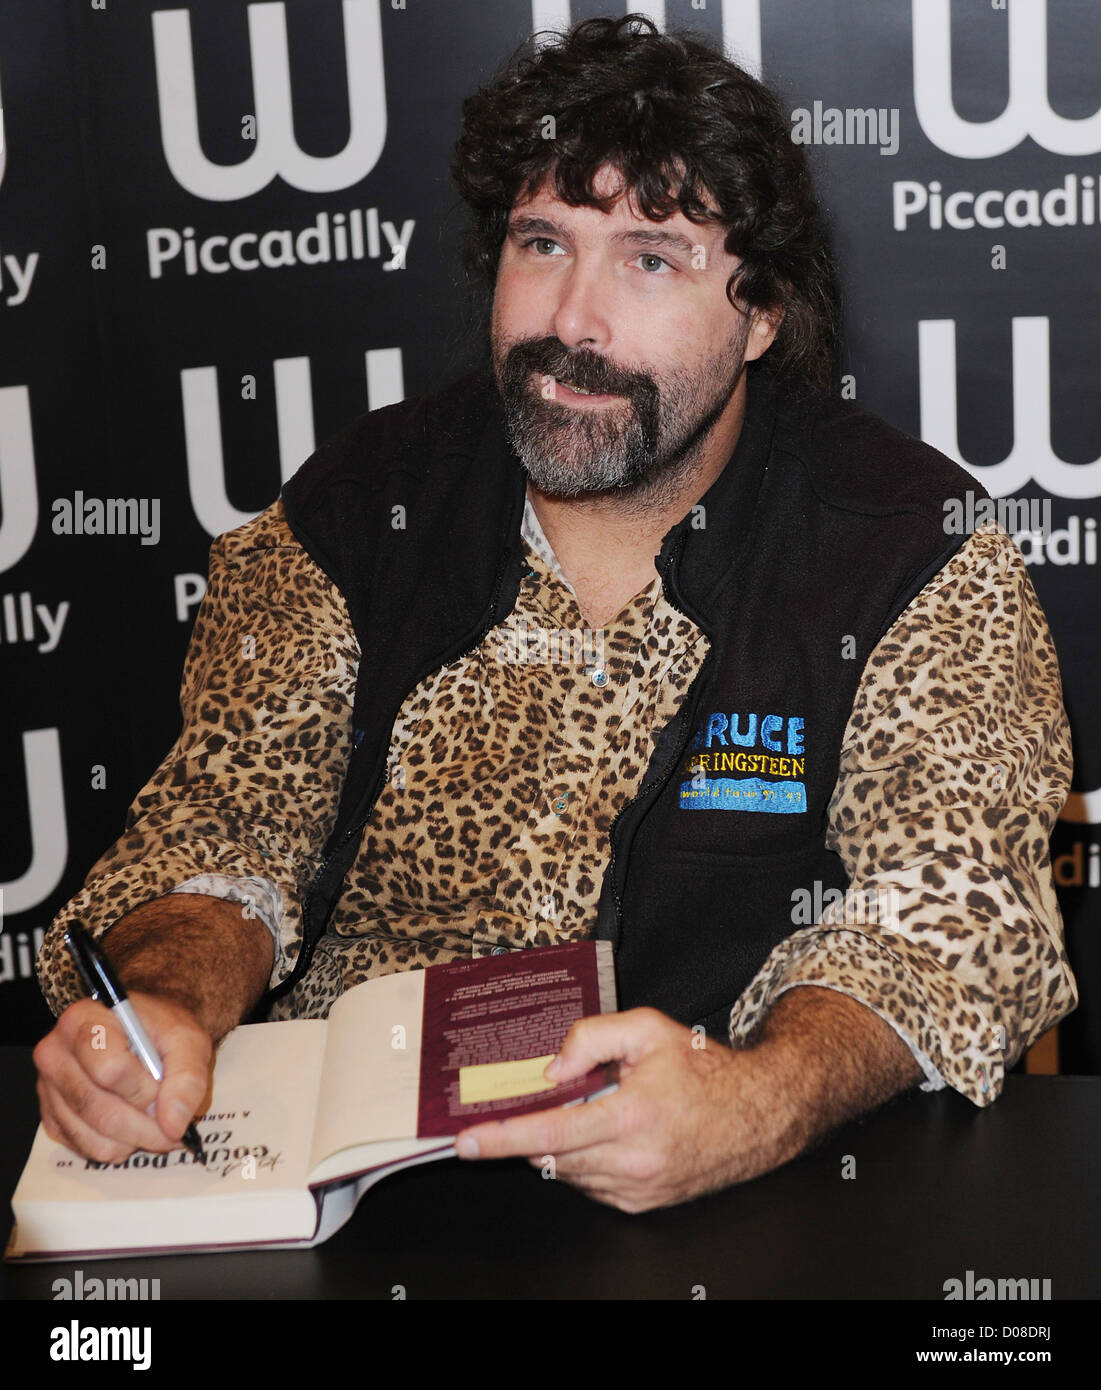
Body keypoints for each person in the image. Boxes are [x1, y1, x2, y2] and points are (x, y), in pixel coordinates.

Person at [33, 16, 1076, 1213]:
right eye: (543, 242)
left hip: (723, 1200)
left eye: (651, 258)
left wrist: (755, 1097)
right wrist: (167, 997)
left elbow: (949, 921)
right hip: (349, 1205)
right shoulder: (352, 516)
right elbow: (218, 836)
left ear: (763, 312)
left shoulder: (906, 548)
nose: (573, 323)